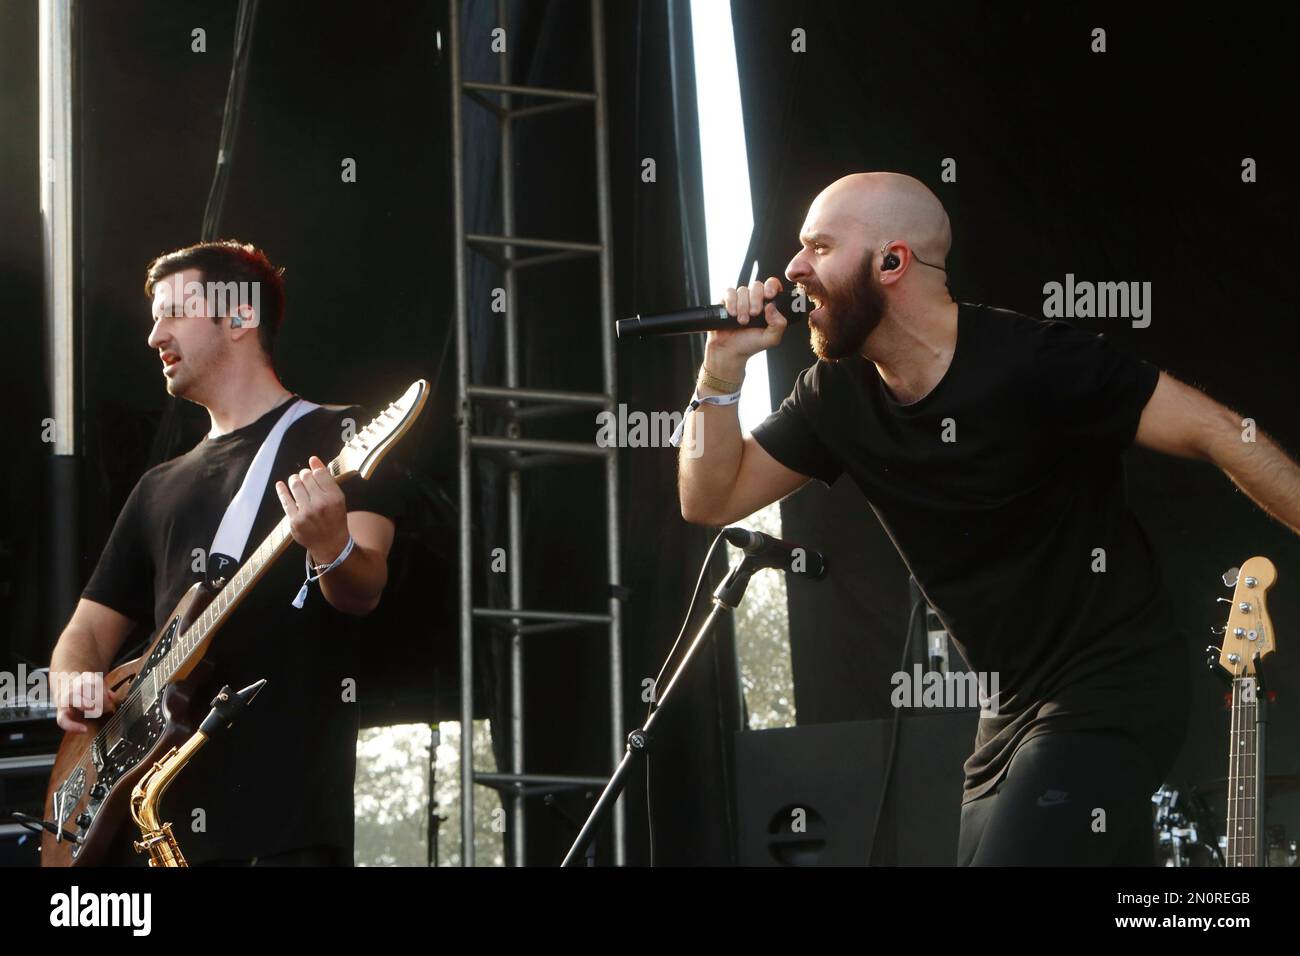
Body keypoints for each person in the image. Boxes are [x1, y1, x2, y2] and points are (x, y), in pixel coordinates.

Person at [676, 172, 1300, 865]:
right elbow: (711, 499)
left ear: (892, 262)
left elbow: (1219, 430)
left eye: (818, 247)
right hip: (1007, 715)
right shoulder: (836, 395)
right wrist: (721, 369)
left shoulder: (1032, 360)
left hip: (1114, 684)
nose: (792, 269)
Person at [48, 240, 404, 866]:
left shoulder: (336, 436)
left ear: (239, 317)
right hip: (148, 826)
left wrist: (330, 544)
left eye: (173, 313)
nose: (155, 334)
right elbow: (85, 632)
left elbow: (364, 587)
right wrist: (75, 679)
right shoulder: (157, 486)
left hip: (281, 830)